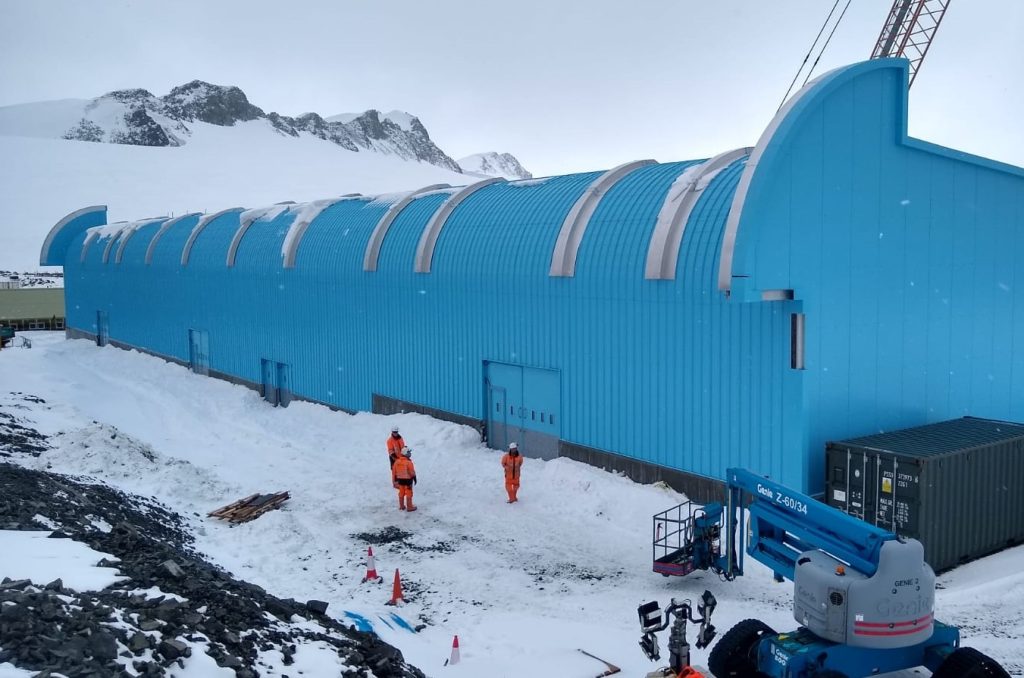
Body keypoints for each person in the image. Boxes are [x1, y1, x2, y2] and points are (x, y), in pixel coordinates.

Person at [392, 447, 417, 511]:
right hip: (408, 481)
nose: (410, 454)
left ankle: (402, 506)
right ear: (406, 454)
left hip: (400, 480)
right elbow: (411, 472)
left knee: (401, 492)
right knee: (409, 493)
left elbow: (394, 472)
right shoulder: (408, 462)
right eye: (409, 452)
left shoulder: (396, 462)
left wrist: (394, 482)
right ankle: (409, 507)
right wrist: (414, 477)